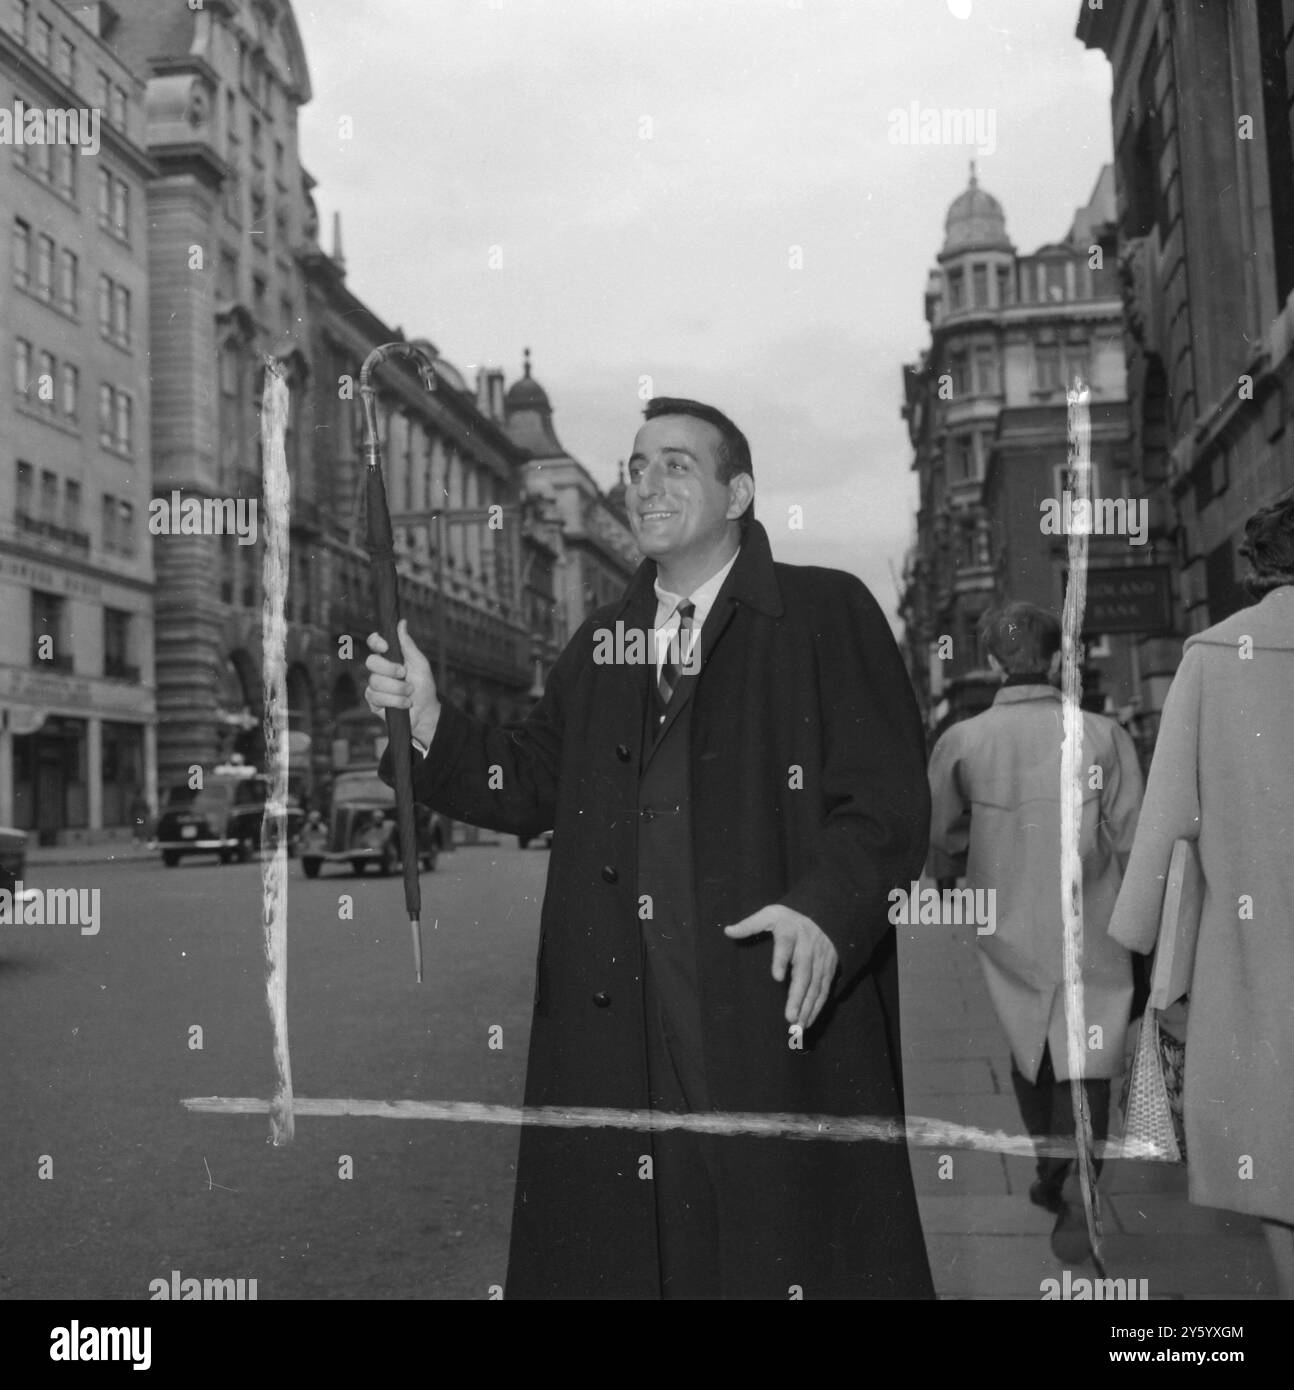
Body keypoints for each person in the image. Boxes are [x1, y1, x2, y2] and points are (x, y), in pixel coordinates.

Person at [365, 396, 934, 1299]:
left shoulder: (827, 611)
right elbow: (532, 779)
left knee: (779, 1245)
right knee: (646, 1255)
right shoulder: (602, 643)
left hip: (763, 1005)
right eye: (634, 465)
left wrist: (826, 908)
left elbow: (887, 803)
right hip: (622, 1026)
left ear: (739, 492)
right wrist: (433, 724)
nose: (647, 482)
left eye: (677, 463)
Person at [1108, 496, 1294, 1298]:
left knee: (1278, 1149)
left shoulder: (1216, 655)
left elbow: (1168, 818)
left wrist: (1138, 940)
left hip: (1259, 956)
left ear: (1257, 570)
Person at [926, 602, 1144, 1262]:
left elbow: (941, 831)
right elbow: (1134, 839)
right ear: (1057, 658)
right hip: (1096, 917)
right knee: (1091, 1055)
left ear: (991, 663)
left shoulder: (962, 741)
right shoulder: (1106, 736)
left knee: (1029, 1047)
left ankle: (1054, 1169)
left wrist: (960, 859)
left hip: (1009, 913)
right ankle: (1078, 1172)